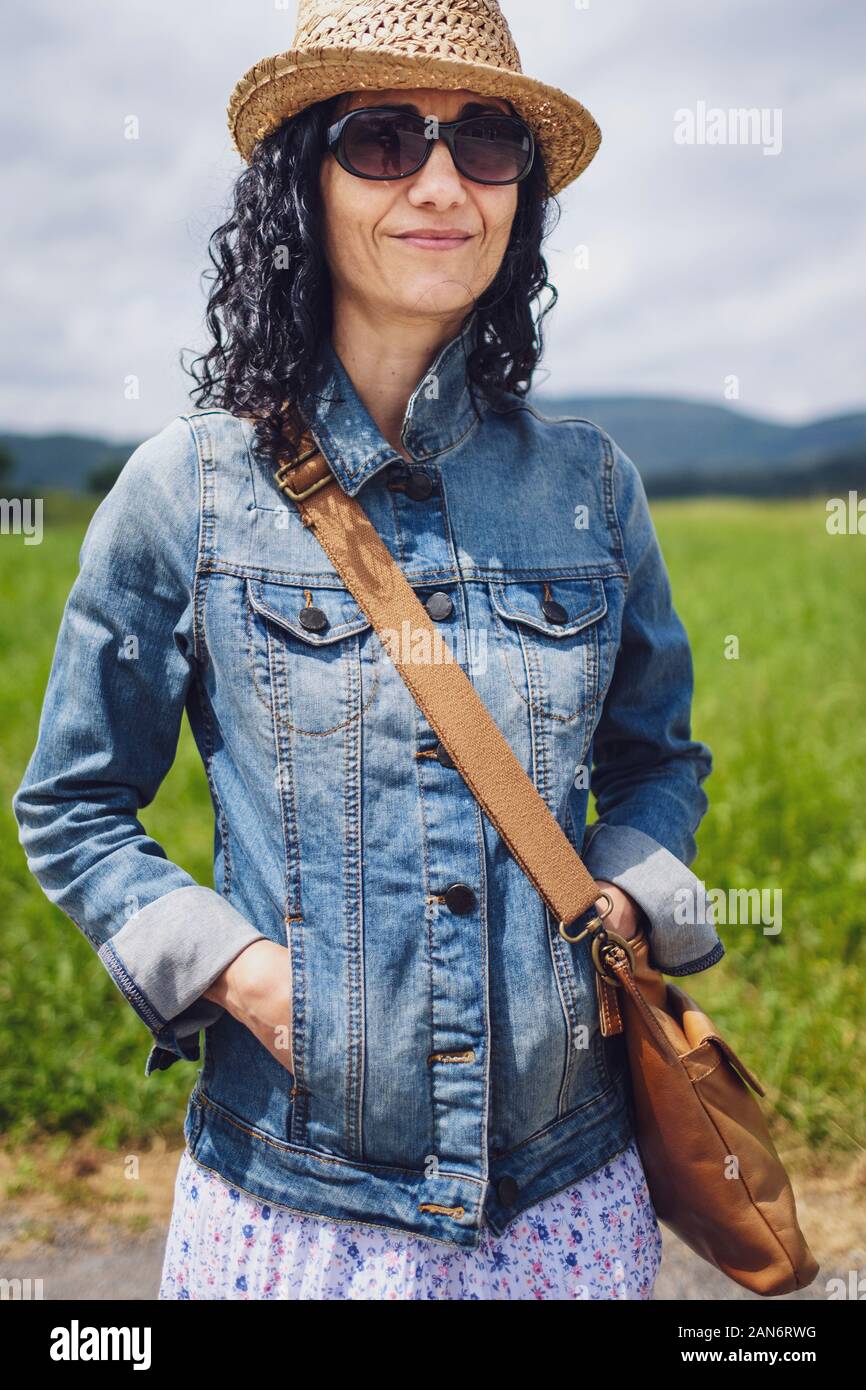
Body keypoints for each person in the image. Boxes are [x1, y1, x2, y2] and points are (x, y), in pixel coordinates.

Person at [12, 0, 724, 1301]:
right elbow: (73, 803)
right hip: (292, 1207)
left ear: (521, 194)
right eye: (384, 138)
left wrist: (617, 897)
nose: (443, 182)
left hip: (567, 1194)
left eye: (486, 141)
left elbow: (658, 761)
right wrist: (238, 971)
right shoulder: (187, 490)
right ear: (303, 183)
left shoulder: (590, 490)